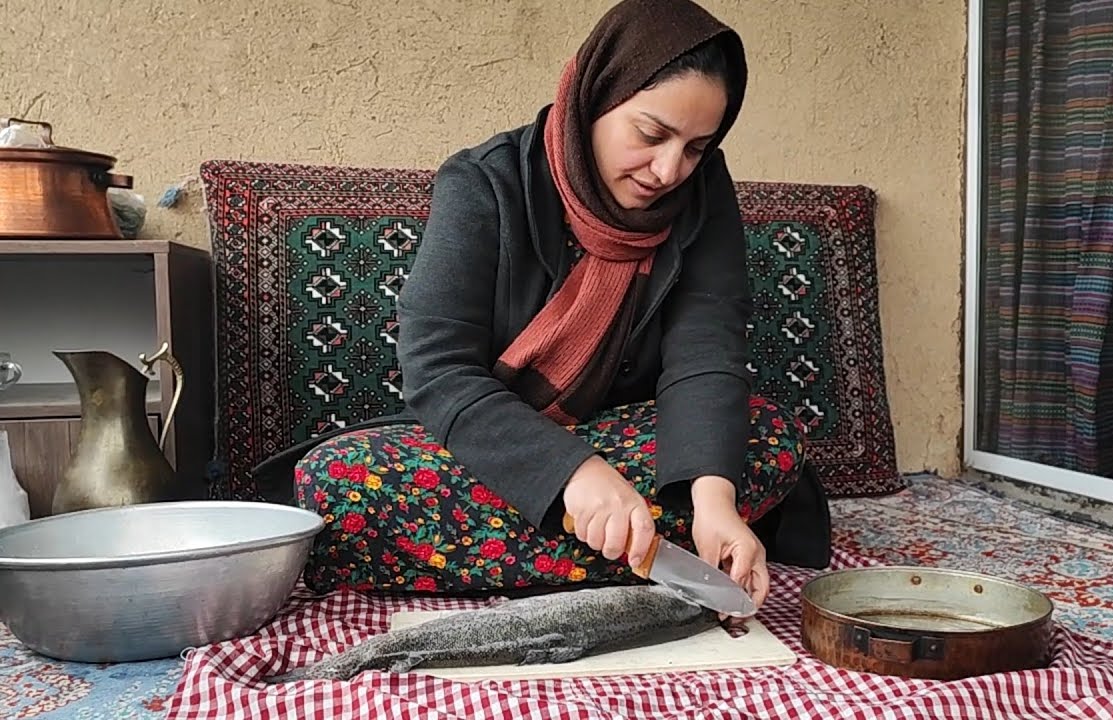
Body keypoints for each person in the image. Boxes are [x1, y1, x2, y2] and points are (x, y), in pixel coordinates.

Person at [284, 0, 831, 610]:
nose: (669, 169)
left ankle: (572, 551)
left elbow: (706, 351)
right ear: (596, 96)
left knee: (765, 434)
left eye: (697, 147)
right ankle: (628, 553)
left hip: (634, 438)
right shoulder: (484, 183)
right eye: (651, 134)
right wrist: (571, 474)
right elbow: (438, 373)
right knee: (335, 481)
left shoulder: (702, 195)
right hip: (498, 439)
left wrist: (713, 501)